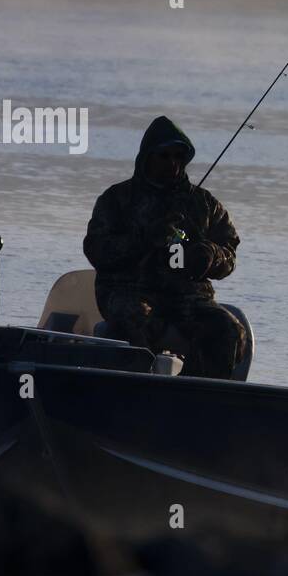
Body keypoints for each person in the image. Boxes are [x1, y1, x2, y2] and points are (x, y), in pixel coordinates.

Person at [83, 115, 245, 379]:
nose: (173, 163)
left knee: (227, 329)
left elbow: (229, 251)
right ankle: (135, 391)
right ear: (147, 157)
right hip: (129, 293)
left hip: (188, 299)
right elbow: (96, 250)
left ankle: (201, 395)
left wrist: (209, 255)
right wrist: (144, 239)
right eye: (164, 156)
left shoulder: (204, 204)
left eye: (179, 156)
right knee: (135, 316)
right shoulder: (117, 199)